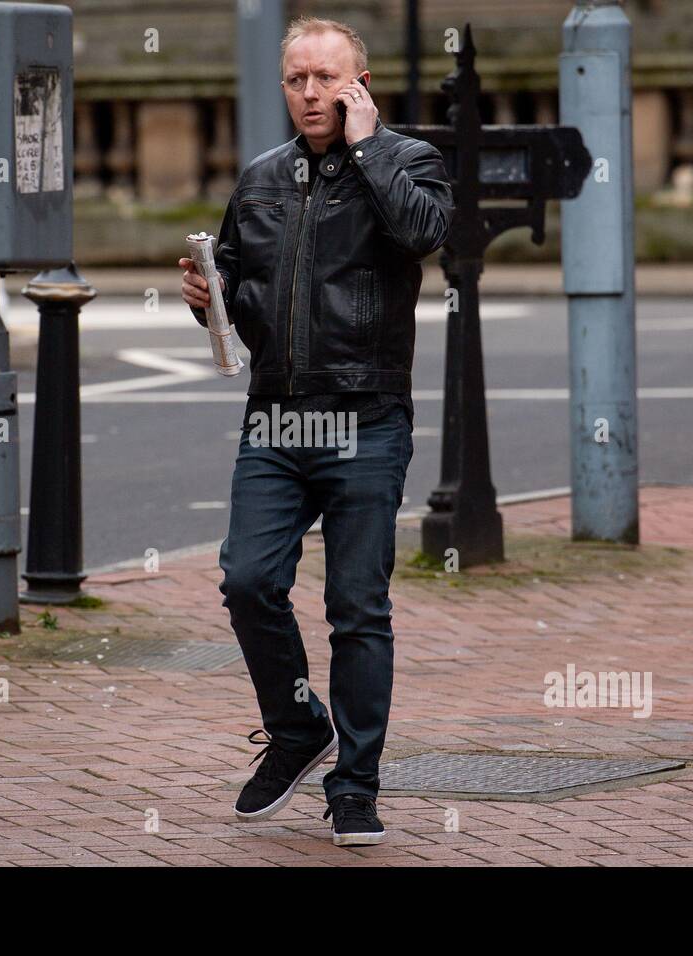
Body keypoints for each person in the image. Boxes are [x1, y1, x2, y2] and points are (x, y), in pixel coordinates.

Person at [178, 16, 454, 846]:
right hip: (278, 415)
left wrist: (368, 150)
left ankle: (355, 786)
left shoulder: (408, 162)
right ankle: (299, 727)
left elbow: (425, 234)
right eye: (297, 78)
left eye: (327, 78)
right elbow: (245, 298)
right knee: (247, 580)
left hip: (366, 418)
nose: (310, 93)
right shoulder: (261, 179)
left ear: (359, 82)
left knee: (356, 607)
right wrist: (209, 299)